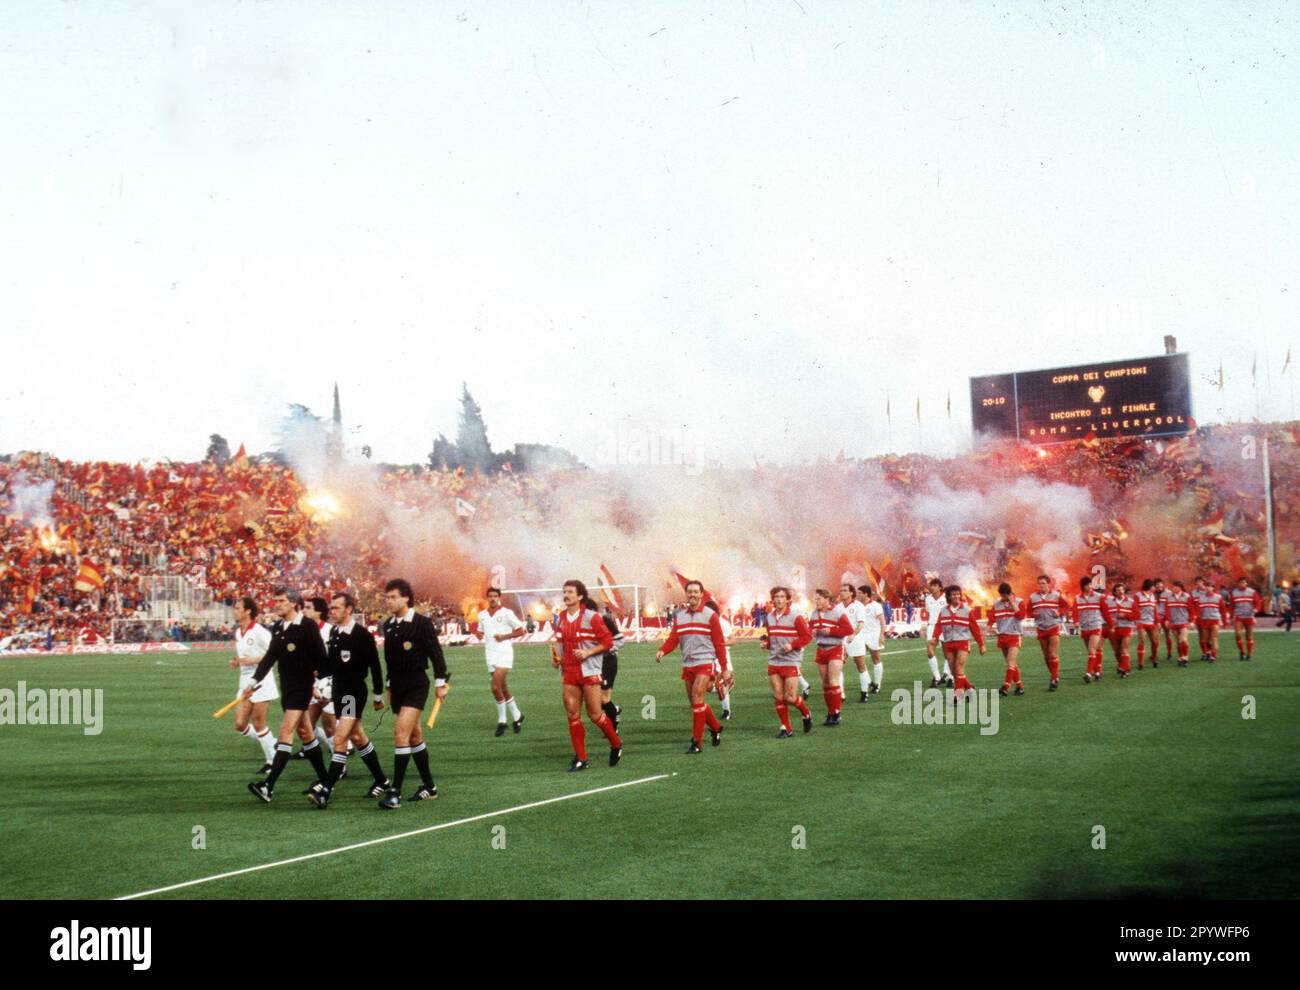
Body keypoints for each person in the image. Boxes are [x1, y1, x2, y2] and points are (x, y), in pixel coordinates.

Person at [243, 589, 330, 802]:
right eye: (276, 600)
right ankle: (327, 780)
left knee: (286, 732)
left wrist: (322, 684)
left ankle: (268, 786)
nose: (277, 604)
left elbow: (322, 658)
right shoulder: (278, 627)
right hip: (287, 687)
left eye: (281, 601)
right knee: (306, 734)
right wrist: (253, 682)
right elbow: (270, 658)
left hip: (302, 688)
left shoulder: (307, 626)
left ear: (293, 603)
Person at [306, 592, 389, 809]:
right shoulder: (334, 632)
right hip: (338, 692)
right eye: (331, 608)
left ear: (349, 609)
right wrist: (321, 685)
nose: (331, 611)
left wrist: (378, 694)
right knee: (358, 736)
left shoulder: (361, 635)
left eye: (336, 607)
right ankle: (382, 780)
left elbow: (375, 666)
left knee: (341, 739)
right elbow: (330, 666)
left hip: (353, 694)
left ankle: (326, 790)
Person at [377, 578, 449, 809]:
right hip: (397, 686)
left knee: (400, 734)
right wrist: (388, 686)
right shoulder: (388, 625)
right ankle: (429, 786)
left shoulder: (422, 623)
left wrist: (440, 682)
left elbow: (436, 654)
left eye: (393, 597)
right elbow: (389, 659)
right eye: (387, 597)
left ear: (406, 598)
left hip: (417, 684)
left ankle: (394, 791)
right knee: (415, 736)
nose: (389, 601)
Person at [553, 580, 623, 771]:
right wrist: (558, 659)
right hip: (569, 671)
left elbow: (608, 643)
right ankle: (581, 758)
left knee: (595, 715)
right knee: (572, 715)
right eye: (564, 591)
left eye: (570, 592)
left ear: (580, 596)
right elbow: (561, 644)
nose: (566, 595)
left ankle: (616, 744)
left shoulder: (592, 617)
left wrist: (588, 653)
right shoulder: (561, 617)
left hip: (589, 671)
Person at [655, 580, 730, 753]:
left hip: (705, 661)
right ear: (686, 594)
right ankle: (716, 728)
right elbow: (674, 639)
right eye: (690, 592)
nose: (693, 595)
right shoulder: (680, 615)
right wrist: (662, 650)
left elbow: (719, 644)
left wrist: (724, 668)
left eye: (696, 591)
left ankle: (696, 743)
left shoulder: (711, 615)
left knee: (697, 697)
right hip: (688, 663)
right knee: (696, 704)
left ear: (702, 594)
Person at [228, 596, 278, 771]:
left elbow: (274, 654)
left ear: (248, 611)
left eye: (238, 607)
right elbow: (245, 656)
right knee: (240, 724)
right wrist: (238, 661)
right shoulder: (238, 631)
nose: (235, 610)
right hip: (245, 681)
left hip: (262, 680)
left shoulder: (260, 632)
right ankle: (271, 742)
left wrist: (254, 660)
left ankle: (272, 762)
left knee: (258, 723)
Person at [763, 586, 814, 738]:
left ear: (787, 600)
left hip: (791, 661)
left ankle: (806, 713)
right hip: (774, 661)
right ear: (772, 599)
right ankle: (786, 727)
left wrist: (792, 645)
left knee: (790, 697)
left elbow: (807, 637)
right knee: (778, 696)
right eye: (776, 597)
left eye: (781, 597)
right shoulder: (769, 617)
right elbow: (771, 638)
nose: (778, 599)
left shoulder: (796, 616)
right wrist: (766, 644)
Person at [477, 587, 525, 736]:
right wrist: (478, 634)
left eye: (495, 596)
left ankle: (502, 721)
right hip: (490, 655)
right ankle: (517, 715)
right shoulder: (482, 615)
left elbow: (521, 630)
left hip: (504, 654)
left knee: (495, 688)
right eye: (490, 596)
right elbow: (481, 631)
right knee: (503, 688)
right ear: (487, 598)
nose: (492, 598)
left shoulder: (506, 613)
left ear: (499, 598)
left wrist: (504, 637)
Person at [929, 583, 986, 703]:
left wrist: (981, 644)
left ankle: (958, 696)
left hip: (963, 642)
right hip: (948, 643)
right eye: (953, 594)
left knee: (959, 667)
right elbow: (939, 626)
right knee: (954, 671)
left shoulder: (966, 610)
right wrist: (934, 638)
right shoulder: (943, 610)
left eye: (958, 594)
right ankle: (969, 689)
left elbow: (975, 629)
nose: (956, 596)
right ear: (949, 597)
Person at [808, 588, 855, 726]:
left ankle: (836, 713)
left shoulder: (837, 612)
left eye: (819, 599)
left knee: (834, 681)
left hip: (835, 648)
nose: (816, 601)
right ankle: (830, 712)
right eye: (815, 599)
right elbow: (809, 628)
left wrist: (831, 631)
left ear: (827, 600)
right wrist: (812, 631)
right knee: (826, 684)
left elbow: (848, 630)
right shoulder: (814, 614)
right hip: (821, 649)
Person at [1027, 574, 1069, 691]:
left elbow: (1066, 606)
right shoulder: (1033, 597)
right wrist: (1033, 615)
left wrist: (1059, 613)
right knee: (1046, 656)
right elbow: (1028, 611)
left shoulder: (1056, 595)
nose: (1041, 586)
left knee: (1053, 654)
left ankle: (1054, 679)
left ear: (1048, 584)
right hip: (1041, 628)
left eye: (1043, 583)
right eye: (1039, 584)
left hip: (1053, 627)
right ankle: (1054, 676)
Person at [986, 583, 1025, 696]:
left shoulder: (1019, 601)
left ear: (1009, 593)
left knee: (1011, 662)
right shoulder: (997, 604)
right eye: (1002, 596)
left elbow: (1021, 616)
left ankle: (1006, 687)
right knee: (1011, 663)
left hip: (1014, 635)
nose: (1003, 598)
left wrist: (1012, 602)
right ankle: (1020, 687)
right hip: (1002, 636)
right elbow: (991, 617)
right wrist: (987, 630)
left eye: (1005, 596)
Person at [1073, 576, 1112, 684]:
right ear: (1083, 586)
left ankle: (1088, 673)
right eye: (1087, 585)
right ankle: (1098, 672)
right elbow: (1075, 611)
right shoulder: (1077, 598)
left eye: (1091, 584)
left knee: (1091, 649)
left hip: (1096, 626)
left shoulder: (1099, 597)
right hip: (1084, 627)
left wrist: (1111, 625)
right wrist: (1076, 622)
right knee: (1092, 651)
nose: (1090, 587)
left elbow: (1105, 612)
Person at [923, 577, 954, 688]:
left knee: (947, 653)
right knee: (930, 651)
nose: (932, 587)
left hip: (945, 626)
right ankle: (936, 677)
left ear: (940, 587)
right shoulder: (928, 599)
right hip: (932, 626)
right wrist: (926, 626)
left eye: (935, 585)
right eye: (931, 585)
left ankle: (950, 677)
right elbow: (928, 612)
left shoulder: (946, 598)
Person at [1105, 581, 1137, 678]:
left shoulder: (1131, 602)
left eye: (1122, 590)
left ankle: (1125, 669)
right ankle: (1122, 666)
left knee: (1124, 649)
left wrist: (1125, 615)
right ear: (1114, 592)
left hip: (1127, 627)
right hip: (1114, 629)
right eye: (1118, 590)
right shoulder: (1109, 602)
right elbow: (1105, 614)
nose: (1120, 592)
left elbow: (1137, 615)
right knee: (1117, 651)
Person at [1229, 577, 1262, 661]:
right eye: (1240, 583)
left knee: (1249, 636)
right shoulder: (1234, 593)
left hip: (1249, 616)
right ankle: (1242, 652)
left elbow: (1258, 602)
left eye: (1243, 582)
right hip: (1238, 617)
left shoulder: (1252, 592)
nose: (1242, 584)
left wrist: (1256, 609)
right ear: (1237, 584)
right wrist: (1231, 616)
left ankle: (1249, 654)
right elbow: (1232, 606)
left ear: (1246, 583)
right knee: (1238, 634)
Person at [1191, 576, 1223, 663]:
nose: (1199, 583)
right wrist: (1194, 618)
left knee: (1213, 638)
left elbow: (1222, 608)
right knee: (1203, 638)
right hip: (1201, 618)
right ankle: (1206, 653)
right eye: (1197, 582)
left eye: (1200, 581)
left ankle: (1212, 655)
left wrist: (1222, 619)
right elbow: (1194, 607)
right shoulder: (1194, 593)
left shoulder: (1216, 596)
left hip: (1213, 618)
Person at [1164, 580, 1194, 667]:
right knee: (1178, 642)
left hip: (1184, 622)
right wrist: (1167, 620)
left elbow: (1191, 610)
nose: (1173, 588)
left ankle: (1185, 657)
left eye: (1175, 586)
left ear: (1180, 587)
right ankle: (1181, 657)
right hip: (1173, 622)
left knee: (1183, 640)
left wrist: (1191, 621)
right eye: (1173, 586)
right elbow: (1167, 610)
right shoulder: (1169, 598)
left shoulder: (1187, 596)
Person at [1134, 579, 1161, 669]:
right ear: (1150, 586)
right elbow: (1134, 608)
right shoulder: (1138, 595)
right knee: (1142, 641)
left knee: (1154, 642)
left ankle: (1154, 659)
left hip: (1151, 622)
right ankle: (1141, 663)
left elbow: (1155, 610)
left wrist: (1157, 622)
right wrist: (1135, 621)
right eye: (1154, 586)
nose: (1155, 588)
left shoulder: (1152, 596)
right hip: (1141, 622)